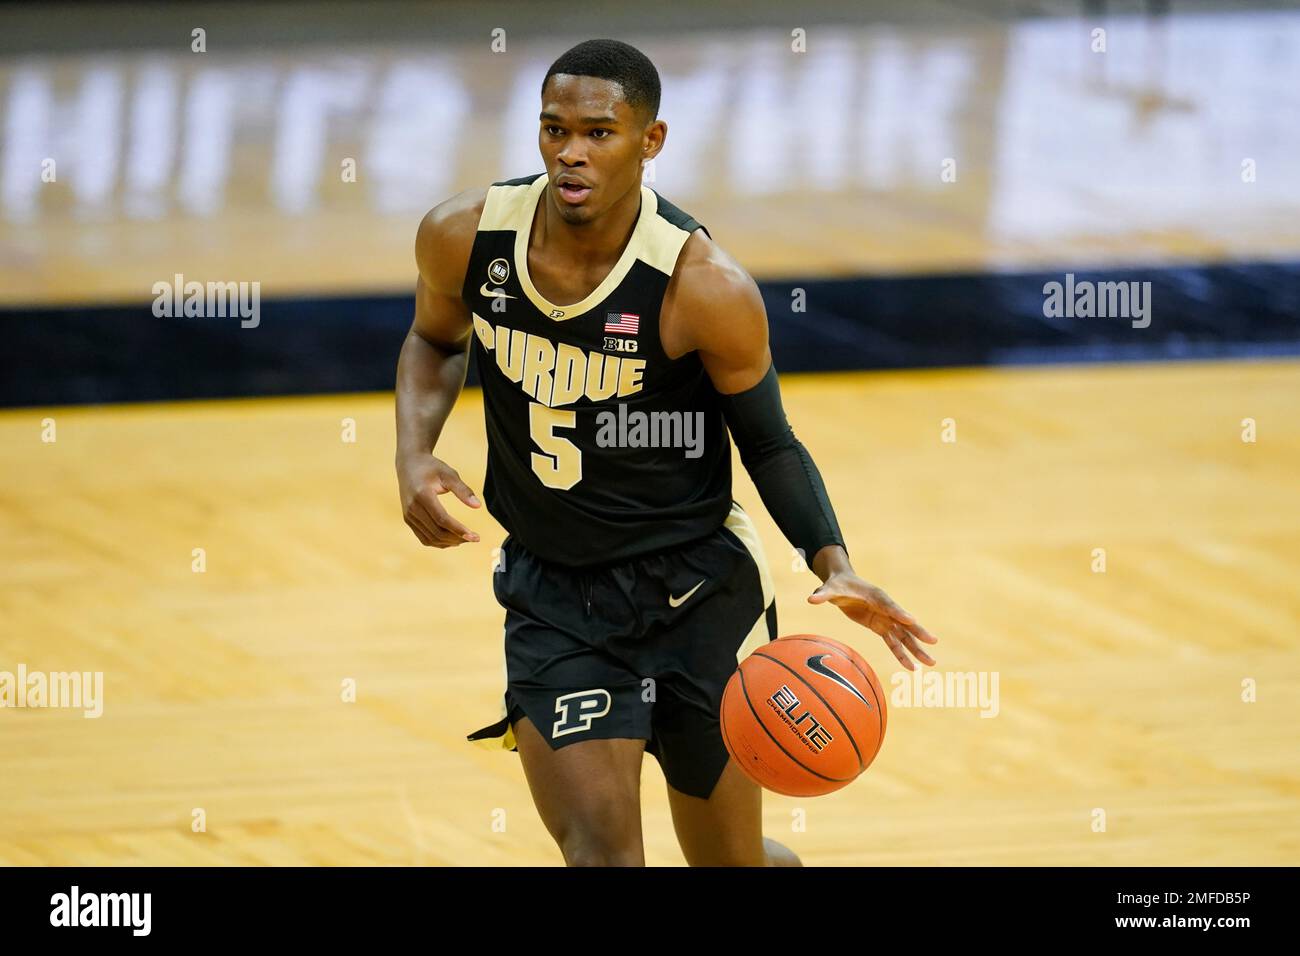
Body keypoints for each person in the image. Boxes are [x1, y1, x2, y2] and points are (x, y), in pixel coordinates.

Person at [394, 38, 937, 867]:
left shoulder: (701, 285)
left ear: (651, 141)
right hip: (555, 597)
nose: (571, 151)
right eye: (553, 129)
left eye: (599, 133)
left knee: (731, 863)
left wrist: (833, 561)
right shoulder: (465, 237)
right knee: (601, 856)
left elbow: (768, 438)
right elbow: (435, 340)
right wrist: (413, 454)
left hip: (696, 595)